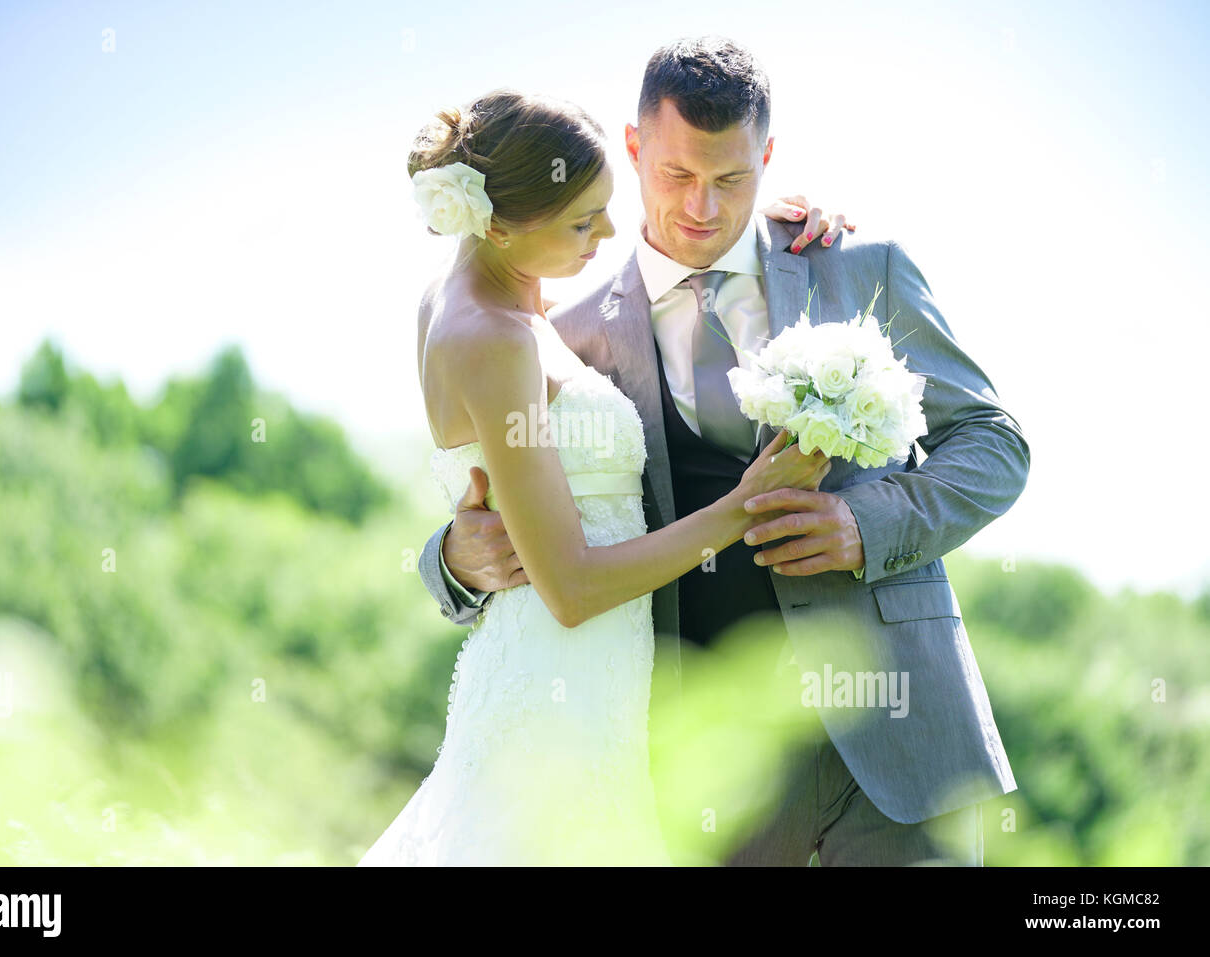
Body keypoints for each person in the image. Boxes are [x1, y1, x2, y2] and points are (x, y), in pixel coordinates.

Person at [417, 36, 1030, 866]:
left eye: (732, 179)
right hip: (707, 777)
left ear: (767, 157)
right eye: (677, 176)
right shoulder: (563, 337)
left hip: (898, 741)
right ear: (633, 151)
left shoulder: (856, 266)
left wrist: (865, 521)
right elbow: (509, 517)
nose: (703, 206)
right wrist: (455, 558)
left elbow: (994, 443)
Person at [358, 84, 844, 865]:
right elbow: (572, 587)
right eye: (583, 221)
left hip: (597, 678)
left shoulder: (497, 299)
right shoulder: (496, 338)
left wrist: (762, 221)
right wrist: (743, 505)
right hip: (562, 675)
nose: (609, 232)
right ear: (503, 225)